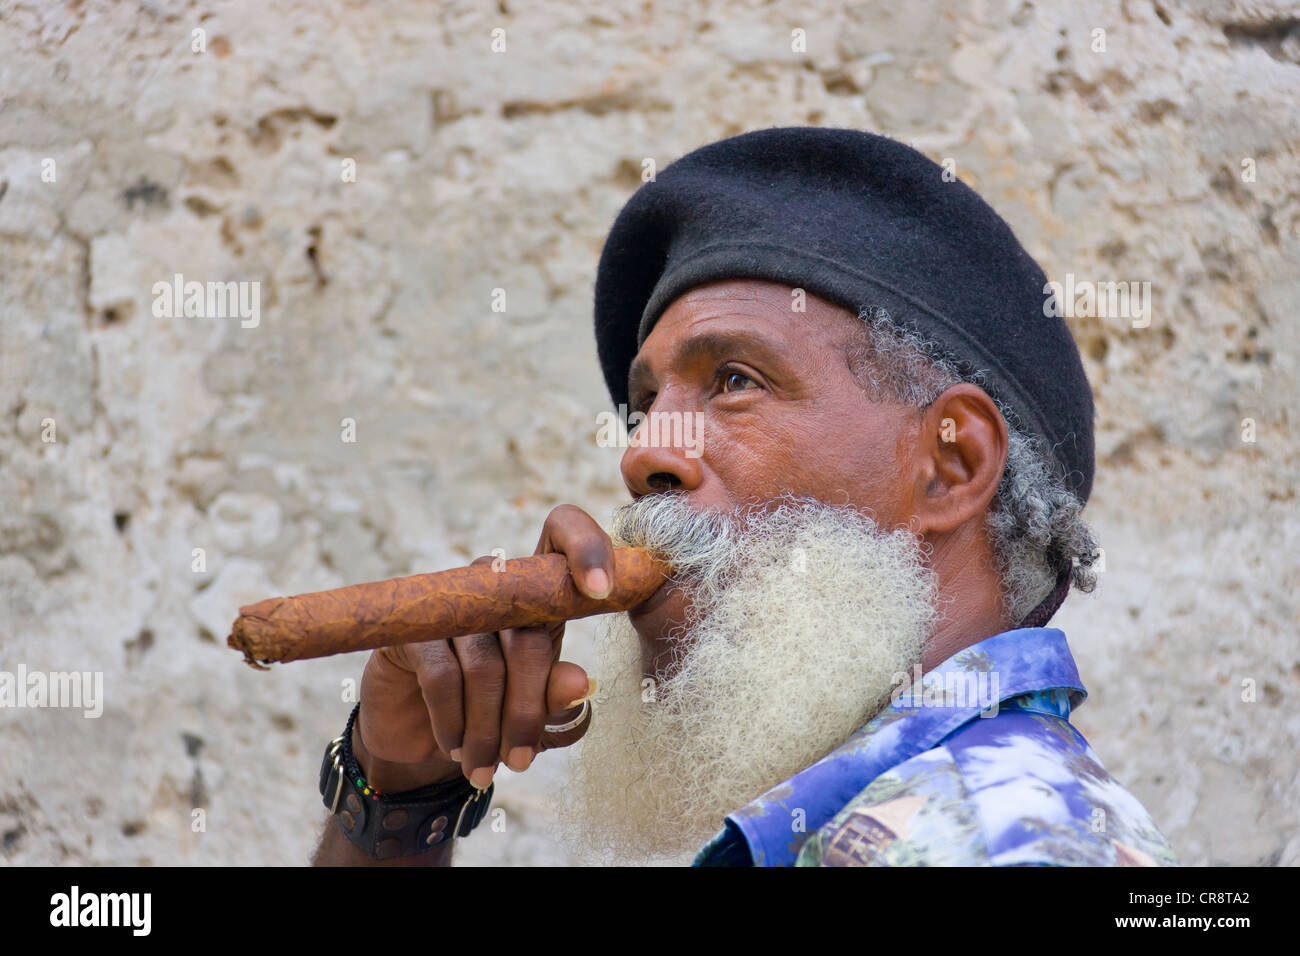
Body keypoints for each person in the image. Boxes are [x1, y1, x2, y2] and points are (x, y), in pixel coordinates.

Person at [310, 126, 1179, 867]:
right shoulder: (857, 827)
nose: (646, 451)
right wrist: (394, 792)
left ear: (950, 464)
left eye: (733, 380)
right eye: (647, 406)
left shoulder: (1002, 842)